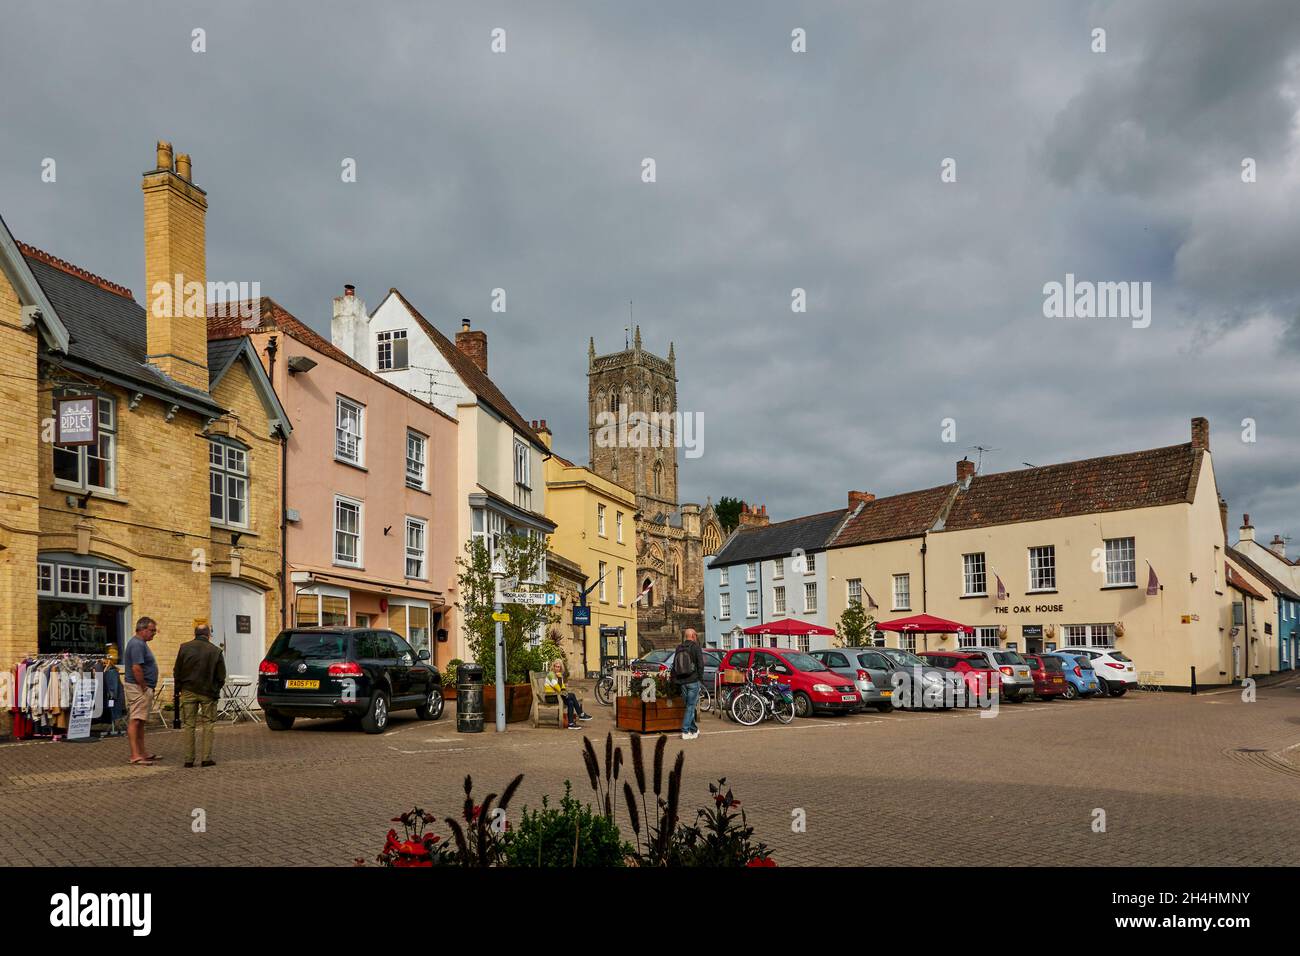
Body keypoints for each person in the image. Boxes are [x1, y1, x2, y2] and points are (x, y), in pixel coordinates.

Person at [173, 624, 226, 768]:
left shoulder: (184, 647)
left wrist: (178, 689)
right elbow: (221, 676)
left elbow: (177, 670)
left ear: (195, 633)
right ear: (208, 634)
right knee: (208, 724)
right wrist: (215, 689)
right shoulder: (215, 651)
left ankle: (189, 759)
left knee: (189, 725)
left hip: (188, 690)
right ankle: (206, 758)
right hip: (208, 692)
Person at [124, 617, 161, 765]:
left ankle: (142, 752)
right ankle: (135, 755)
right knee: (136, 720)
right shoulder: (137, 644)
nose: (154, 634)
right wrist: (144, 686)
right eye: (152, 630)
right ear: (143, 629)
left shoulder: (140, 644)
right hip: (137, 687)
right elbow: (136, 668)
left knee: (141, 721)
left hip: (140, 687)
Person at [674, 628, 705, 740]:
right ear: (692, 636)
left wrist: (675, 681)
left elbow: (675, 665)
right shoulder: (696, 647)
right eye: (695, 635)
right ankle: (685, 730)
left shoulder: (679, 647)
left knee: (688, 707)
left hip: (682, 681)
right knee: (691, 706)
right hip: (693, 680)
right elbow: (700, 664)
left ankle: (694, 729)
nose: (696, 637)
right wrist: (700, 679)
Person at [543, 660, 591, 728]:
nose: (557, 668)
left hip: (557, 696)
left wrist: (565, 692)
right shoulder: (551, 675)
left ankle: (571, 724)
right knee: (572, 695)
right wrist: (559, 679)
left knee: (570, 702)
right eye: (556, 666)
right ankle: (581, 714)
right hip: (551, 697)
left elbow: (562, 687)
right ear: (553, 667)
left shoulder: (559, 675)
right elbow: (558, 688)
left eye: (559, 667)